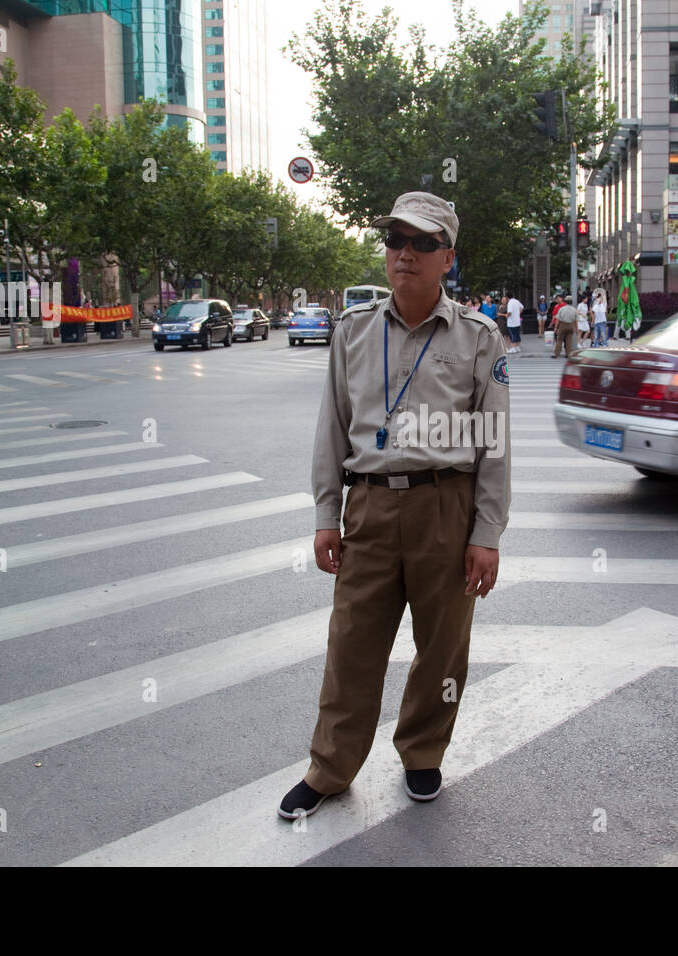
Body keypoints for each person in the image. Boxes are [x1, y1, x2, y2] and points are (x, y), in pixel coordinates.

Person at [279, 191, 511, 820]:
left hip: (447, 506)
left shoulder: (479, 337)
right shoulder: (353, 331)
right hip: (371, 509)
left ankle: (423, 752)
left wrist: (486, 532)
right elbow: (333, 428)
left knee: (443, 647)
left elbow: (493, 444)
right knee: (352, 642)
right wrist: (327, 515)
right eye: (396, 240)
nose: (405, 253)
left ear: (447, 258)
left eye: (423, 243)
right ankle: (330, 768)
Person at [551, 293, 577, 359]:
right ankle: (568, 354)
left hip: (563, 325)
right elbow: (575, 321)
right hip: (571, 326)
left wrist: (556, 328)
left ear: (565, 301)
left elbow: (558, 320)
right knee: (569, 341)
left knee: (559, 339)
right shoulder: (574, 310)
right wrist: (576, 328)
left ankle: (556, 354)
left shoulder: (562, 309)